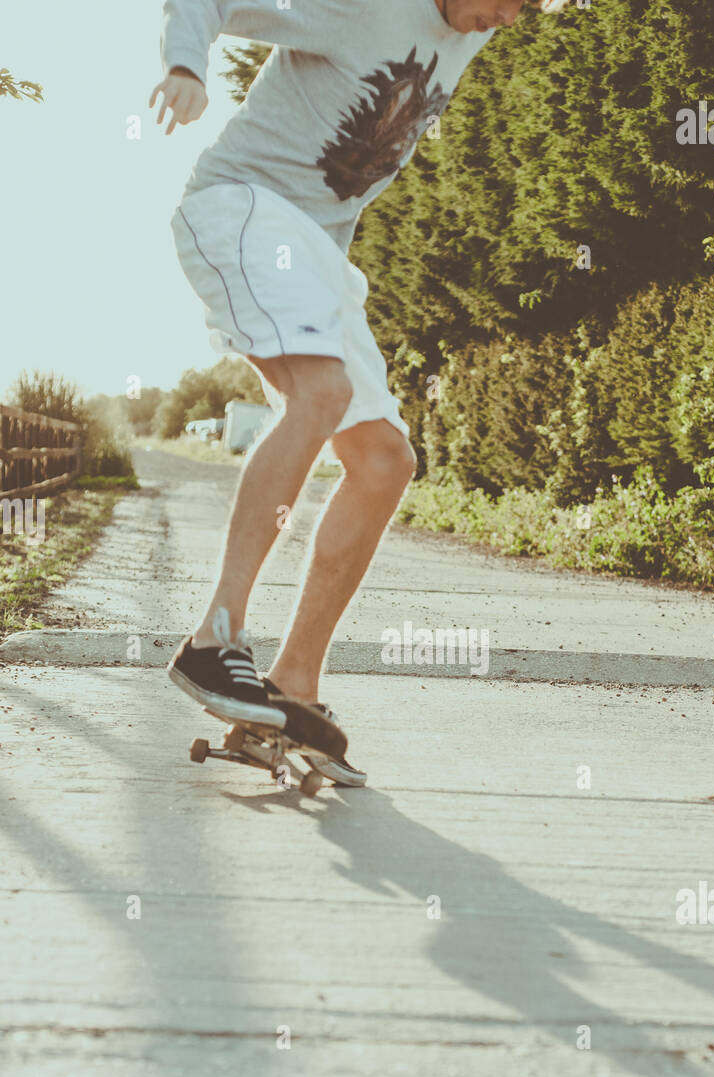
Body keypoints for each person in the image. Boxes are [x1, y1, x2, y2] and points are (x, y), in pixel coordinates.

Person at [154, 0, 566, 782]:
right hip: (242, 208)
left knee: (384, 461)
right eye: (511, 1)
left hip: (314, 252)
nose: (511, 20)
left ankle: (294, 682)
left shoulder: (471, 33)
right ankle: (215, 638)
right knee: (321, 395)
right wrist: (185, 67)